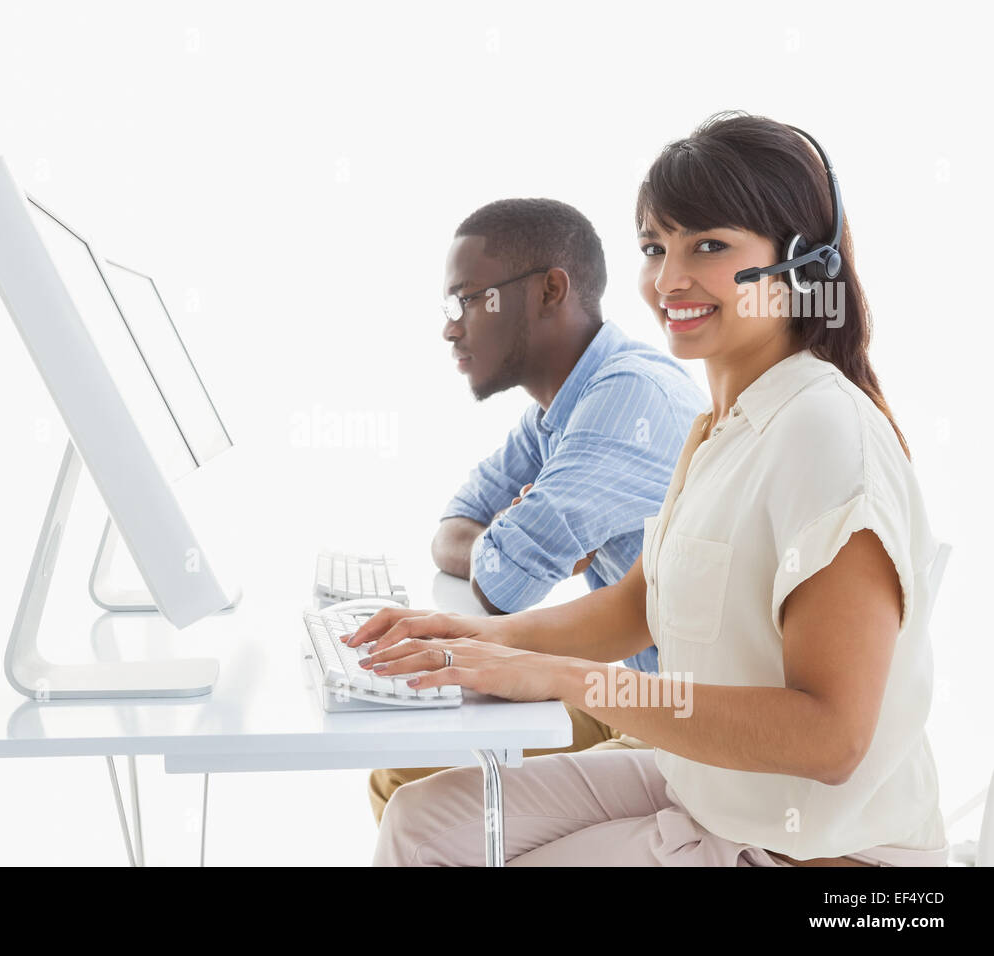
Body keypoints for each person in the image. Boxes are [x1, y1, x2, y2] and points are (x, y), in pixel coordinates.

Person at [348, 112, 949, 866]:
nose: (668, 281)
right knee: (420, 818)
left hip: (810, 850)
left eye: (709, 246)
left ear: (799, 263)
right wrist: (476, 638)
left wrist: (566, 678)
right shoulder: (718, 427)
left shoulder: (823, 434)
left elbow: (830, 738)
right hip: (705, 787)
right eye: (655, 248)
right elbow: (641, 605)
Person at [367, 198, 704, 823]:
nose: (451, 326)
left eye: (470, 299)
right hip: (628, 693)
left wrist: (502, 548)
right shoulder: (560, 410)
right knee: (399, 766)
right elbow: (456, 526)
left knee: (422, 802)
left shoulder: (627, 396)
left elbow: (502, 585)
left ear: (551, 290)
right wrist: (501, 537)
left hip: (681, 724)